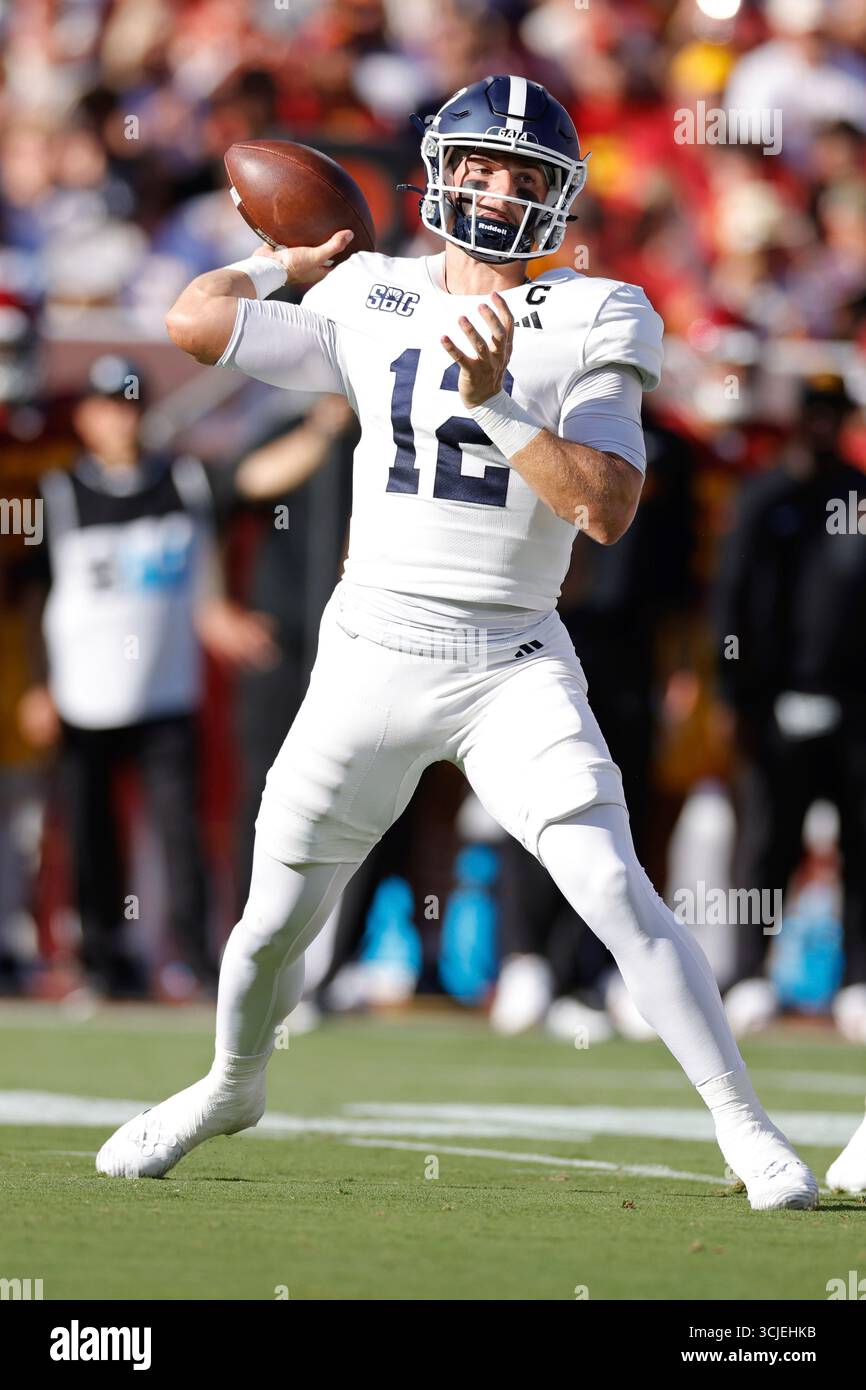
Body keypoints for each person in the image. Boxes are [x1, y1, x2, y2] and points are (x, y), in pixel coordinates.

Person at [96, 75, 817, 1210]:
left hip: (507, 659)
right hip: (369, 647)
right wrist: (297, 259)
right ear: (436, 172)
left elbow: (606, 507)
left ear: (555, 197)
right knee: (267, 928)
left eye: (519, 175)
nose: (492, 189)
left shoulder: (600, 310)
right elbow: (194, 323)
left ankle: (743, 1126)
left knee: (615, 888)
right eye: (475, 166)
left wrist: (496, 402)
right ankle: (231, 1083)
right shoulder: (372, 291)